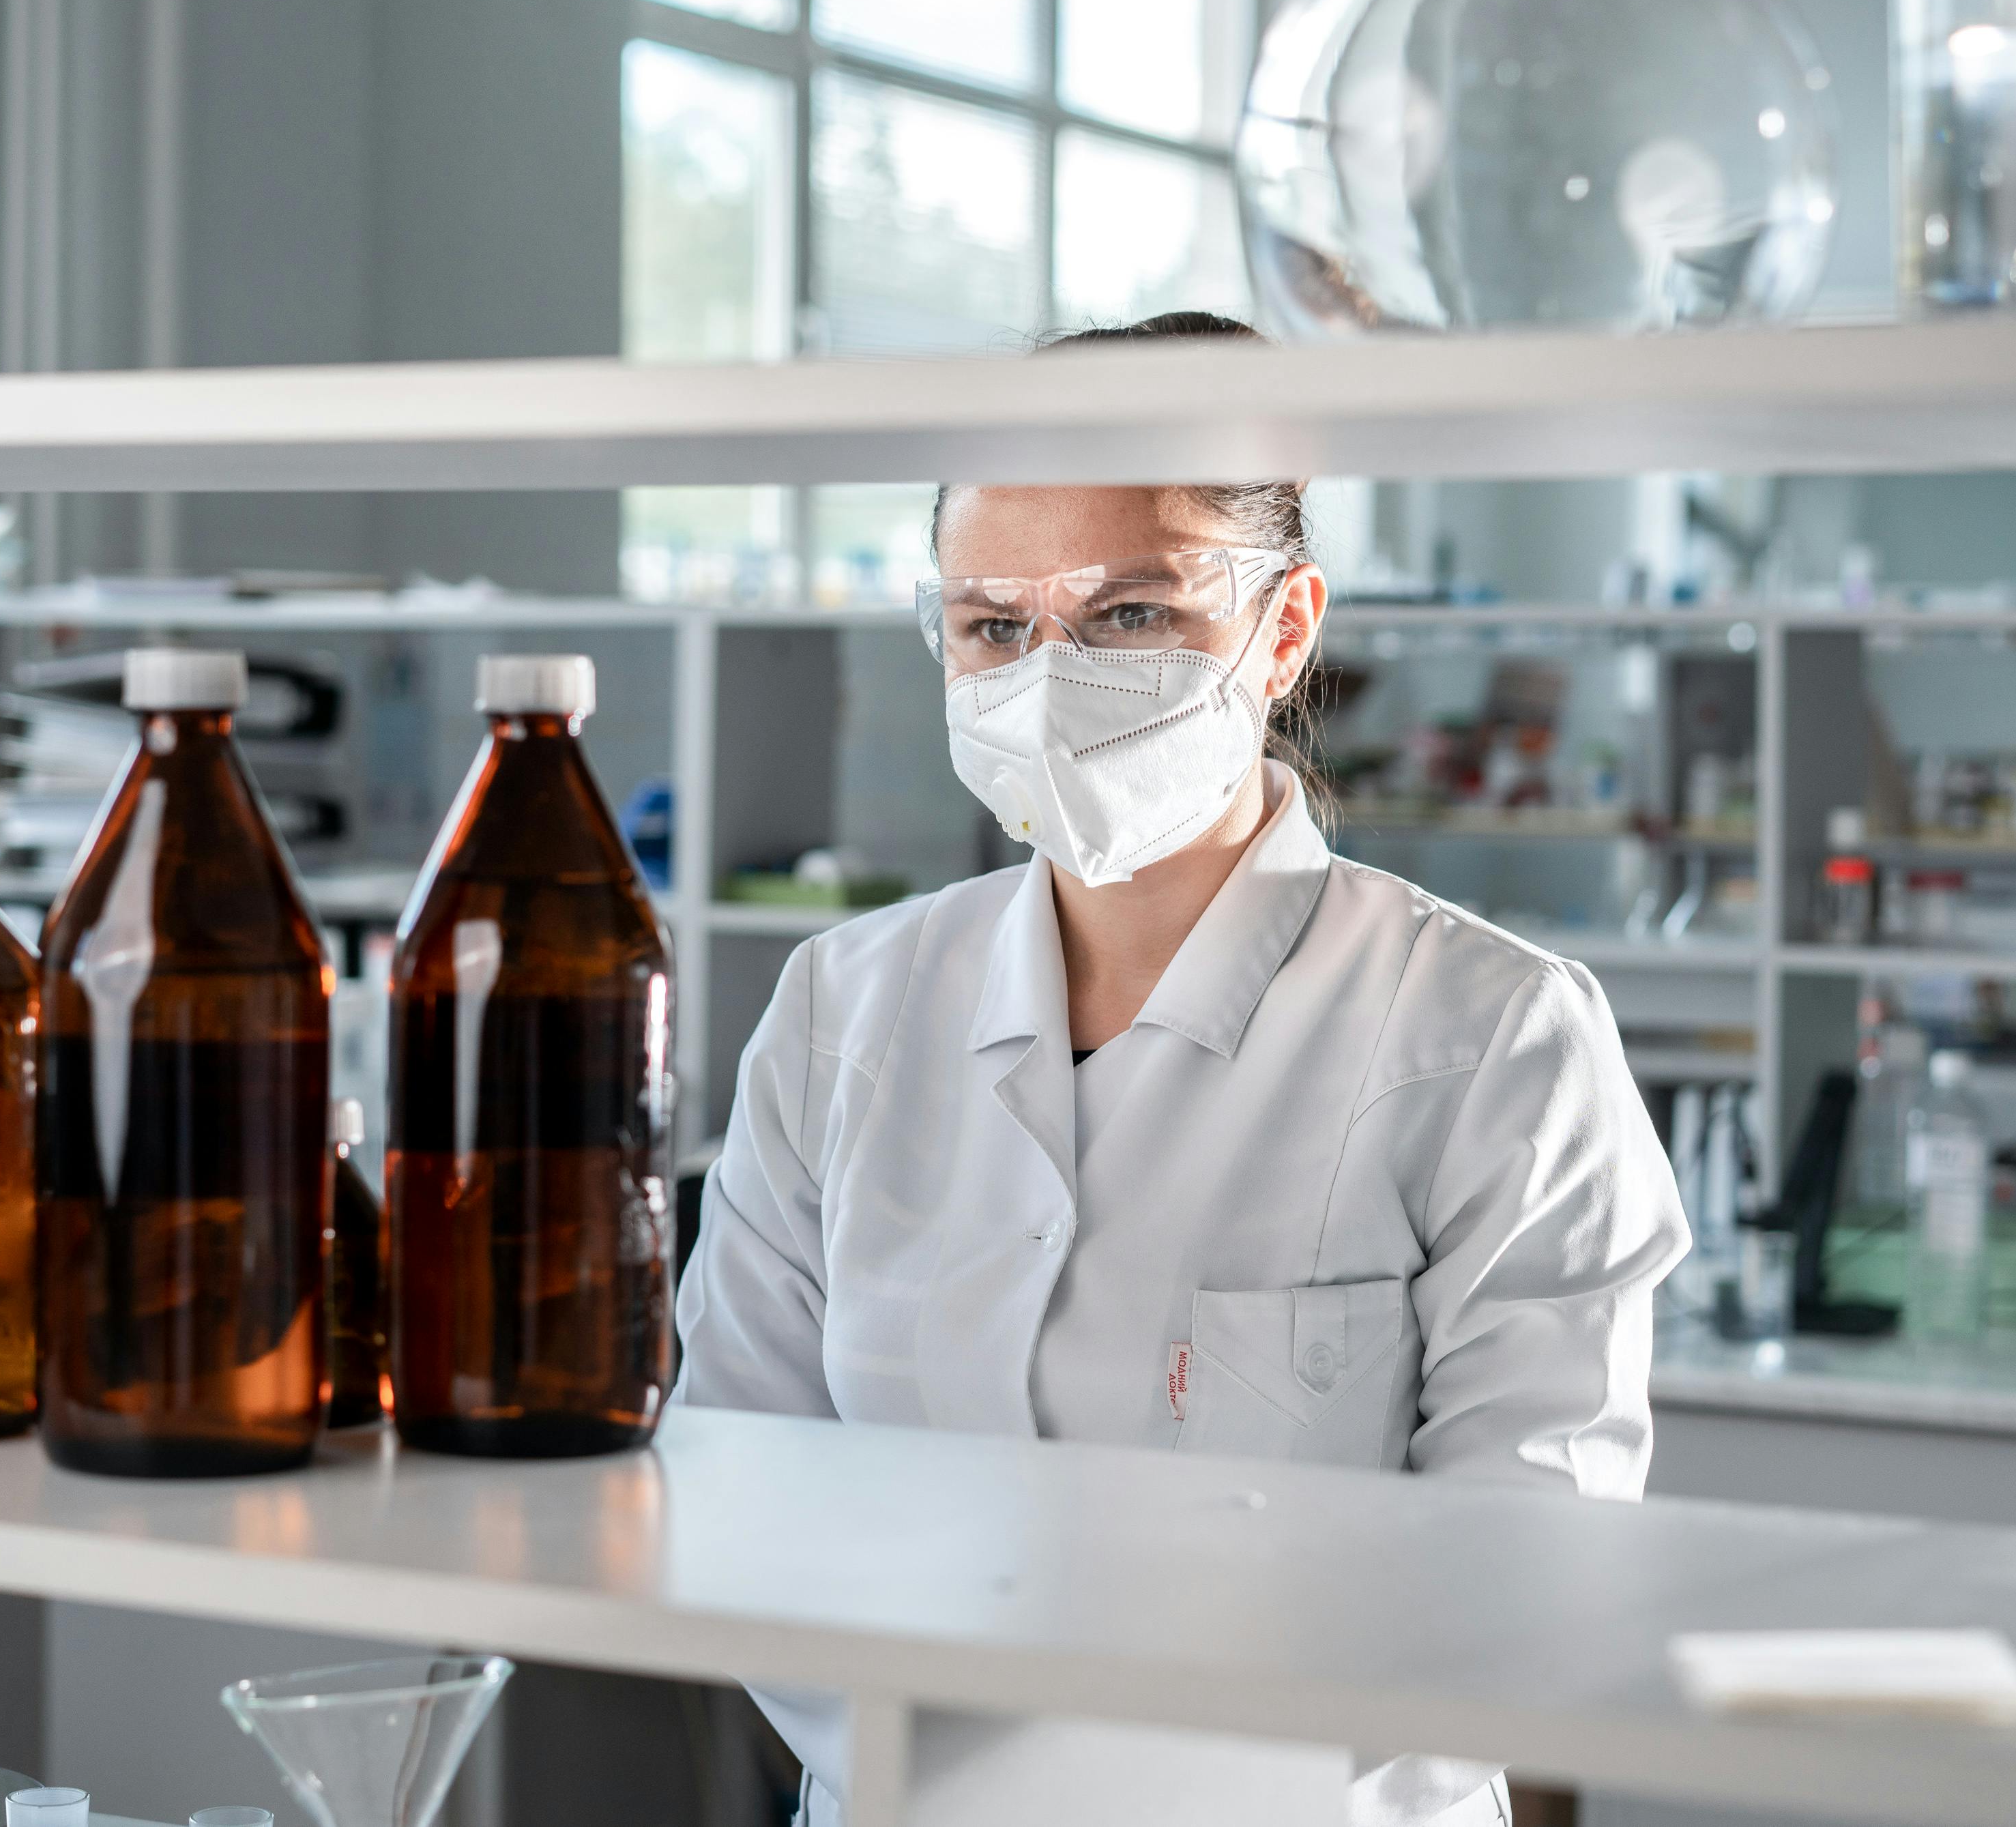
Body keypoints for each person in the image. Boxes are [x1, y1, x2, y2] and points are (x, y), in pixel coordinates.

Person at [675, 310, 1691, 1827]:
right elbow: (738, 1482)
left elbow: (1523, 1567)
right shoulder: (844, 1007)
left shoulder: (1489, 1032)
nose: (1047, 679)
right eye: (993, 627)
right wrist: (959, 1772)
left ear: (1284, 632)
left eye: (1133, 613)